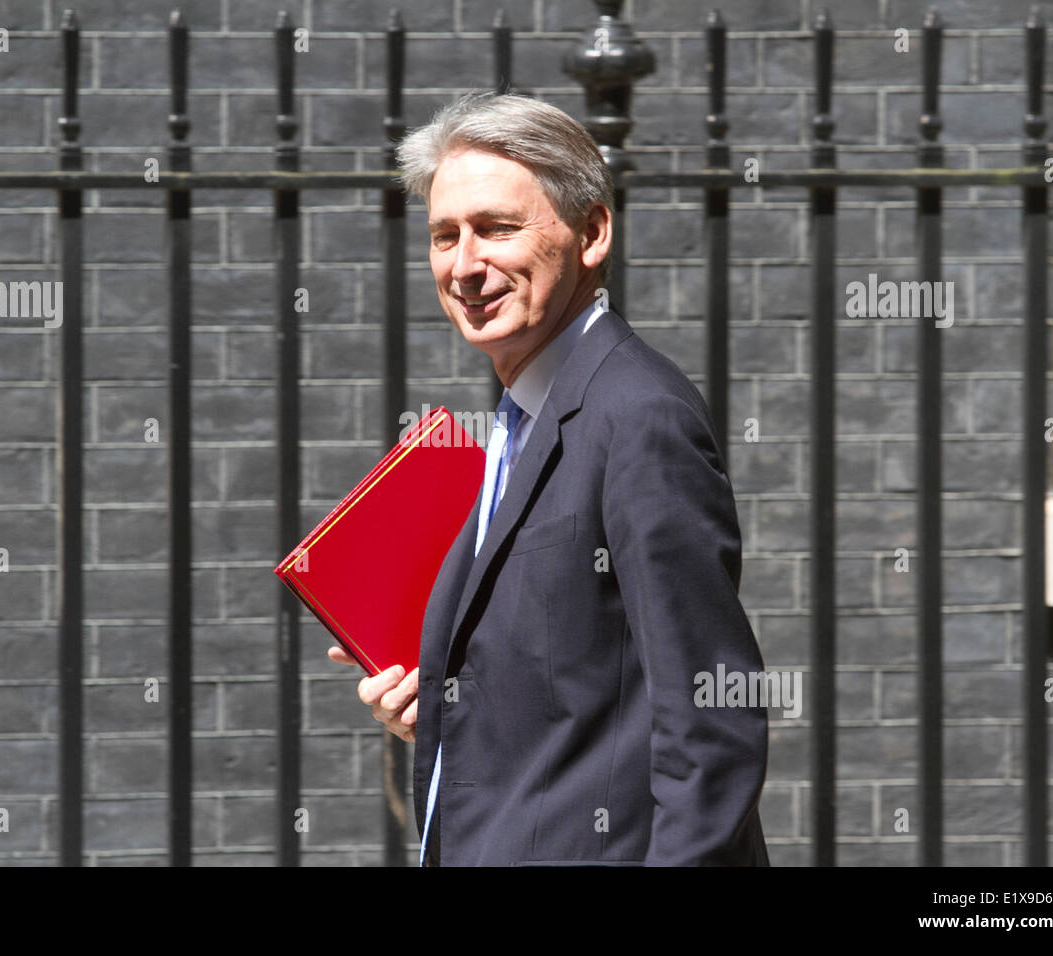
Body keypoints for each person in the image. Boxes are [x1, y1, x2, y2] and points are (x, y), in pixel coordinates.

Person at [328, 91, 770, 866]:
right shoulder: (521, 417)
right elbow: (578, 687)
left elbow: (712, 720)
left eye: (497, 229)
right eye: (444, 236)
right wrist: (438, 700)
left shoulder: (638, 417)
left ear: (592, 232)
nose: (465, 265)